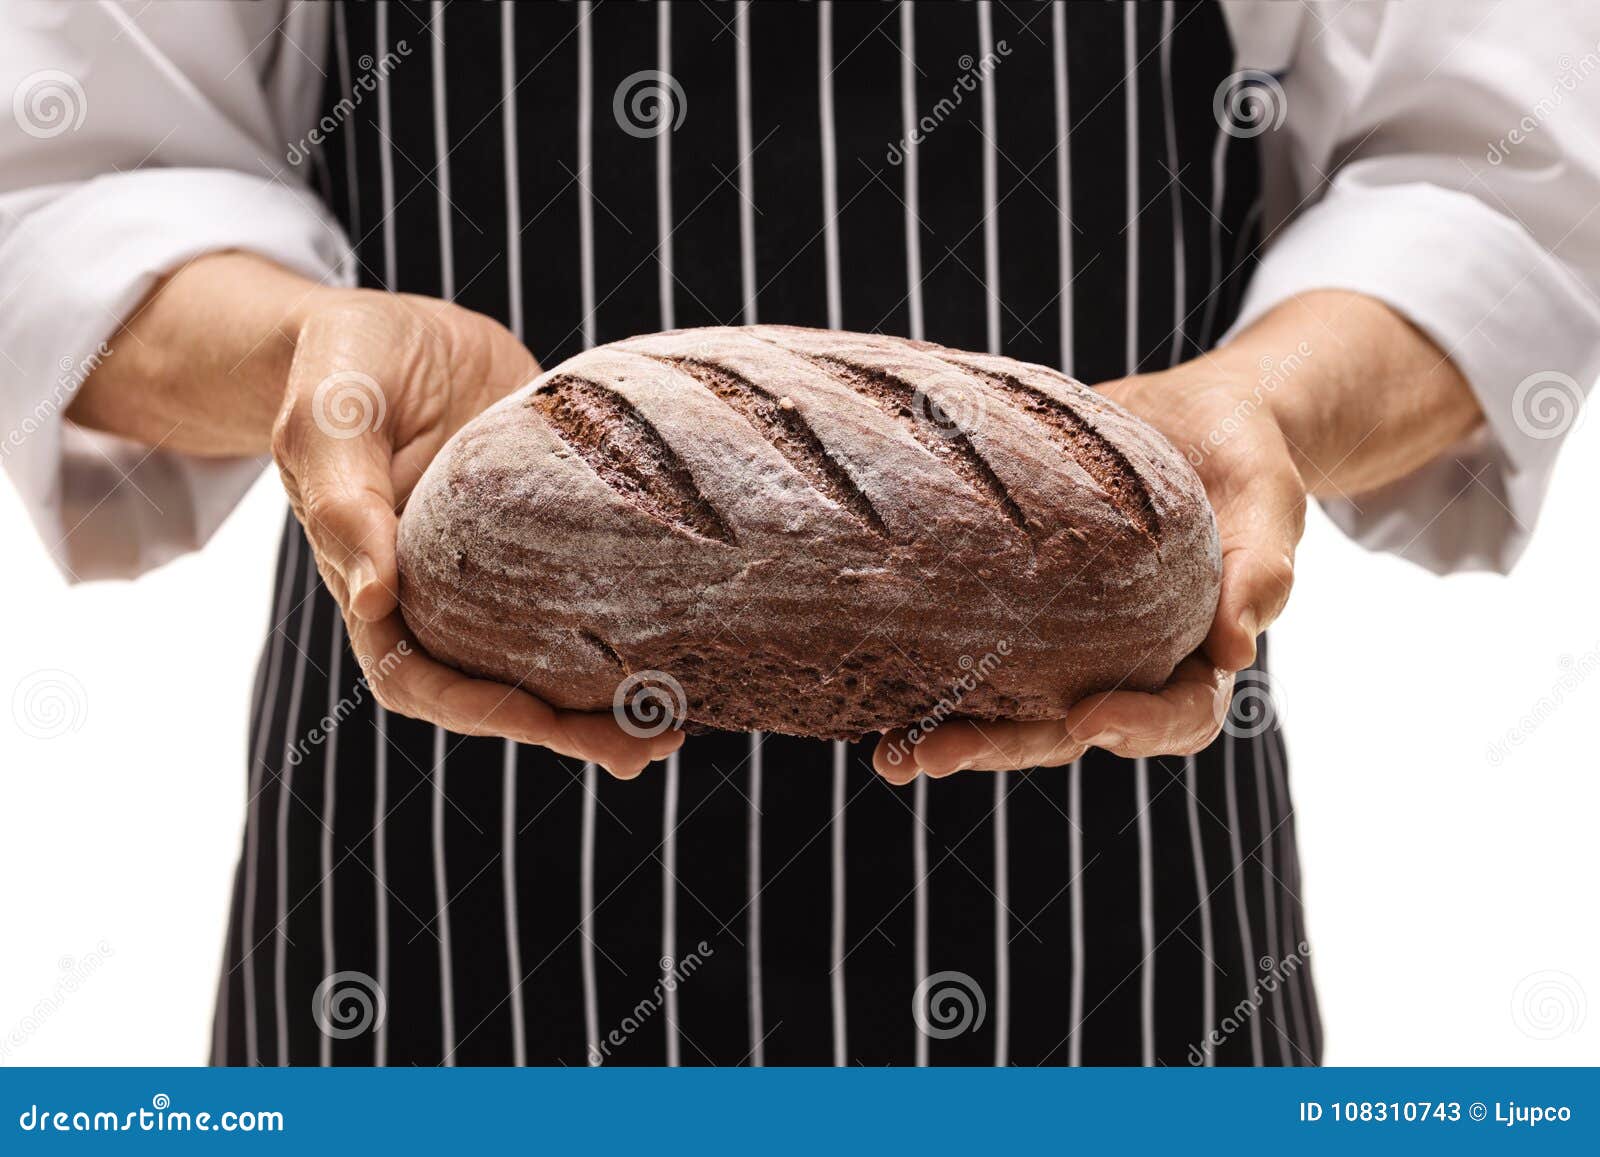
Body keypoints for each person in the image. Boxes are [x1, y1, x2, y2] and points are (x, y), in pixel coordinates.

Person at [2, 1, 1596, 1067]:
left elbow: (1490, 177)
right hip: (434, 886)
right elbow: (70, 180)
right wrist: (305, 353)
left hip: (1116, 883)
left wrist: (1274, 401)